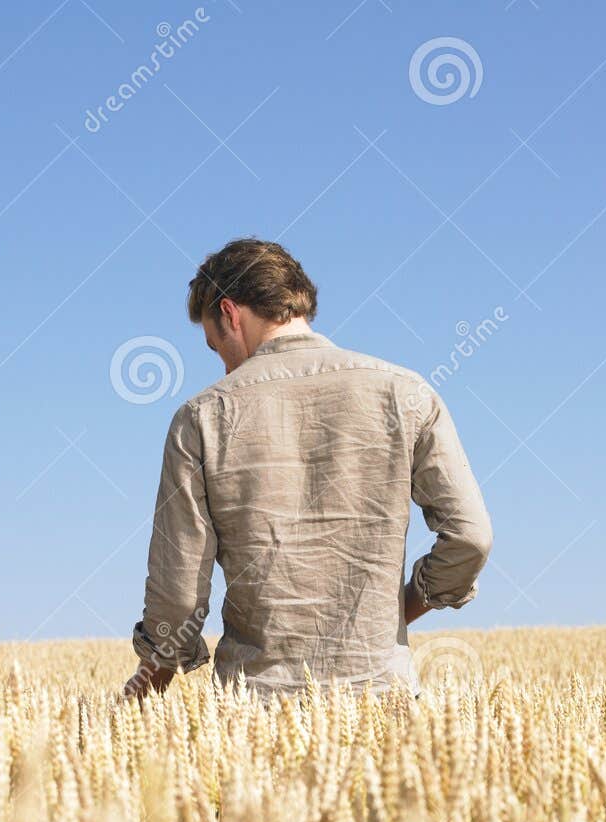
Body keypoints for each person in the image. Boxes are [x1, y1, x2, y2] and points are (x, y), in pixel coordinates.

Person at [124, 237, 492, 697]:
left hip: (253, 710)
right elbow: (471, 538)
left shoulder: (201, 418)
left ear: (230, 314)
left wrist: (145, 687)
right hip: (384, 701)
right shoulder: (407, 393)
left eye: (215, 345)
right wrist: (398, 611)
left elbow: (178, 597)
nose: (223, 368)